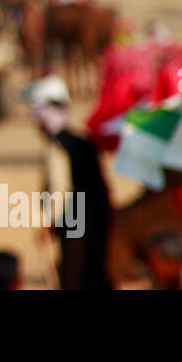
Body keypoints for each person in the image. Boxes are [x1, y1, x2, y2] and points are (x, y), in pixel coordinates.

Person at [26, 75, 112, 290]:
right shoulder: (83, 141)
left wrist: (47, 222)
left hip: (76, 227)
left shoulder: (58, 147)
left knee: (75, 278)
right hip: (96, 222)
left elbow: (59, 188)